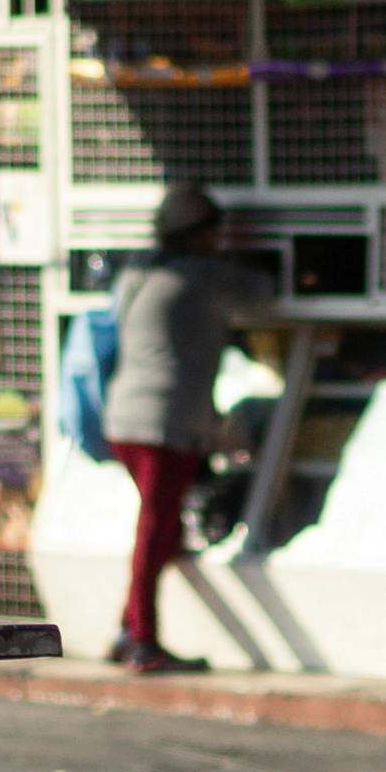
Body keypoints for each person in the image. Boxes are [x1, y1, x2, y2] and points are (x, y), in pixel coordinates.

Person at [101, 177, 281, 671]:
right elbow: (265, 293)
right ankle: (143, 642)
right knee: (155, 531)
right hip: (164, 423)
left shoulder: (136, 273)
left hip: (125, 417)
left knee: (160, 532)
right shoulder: (201, 275)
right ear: (202, 234)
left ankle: (127, 630)